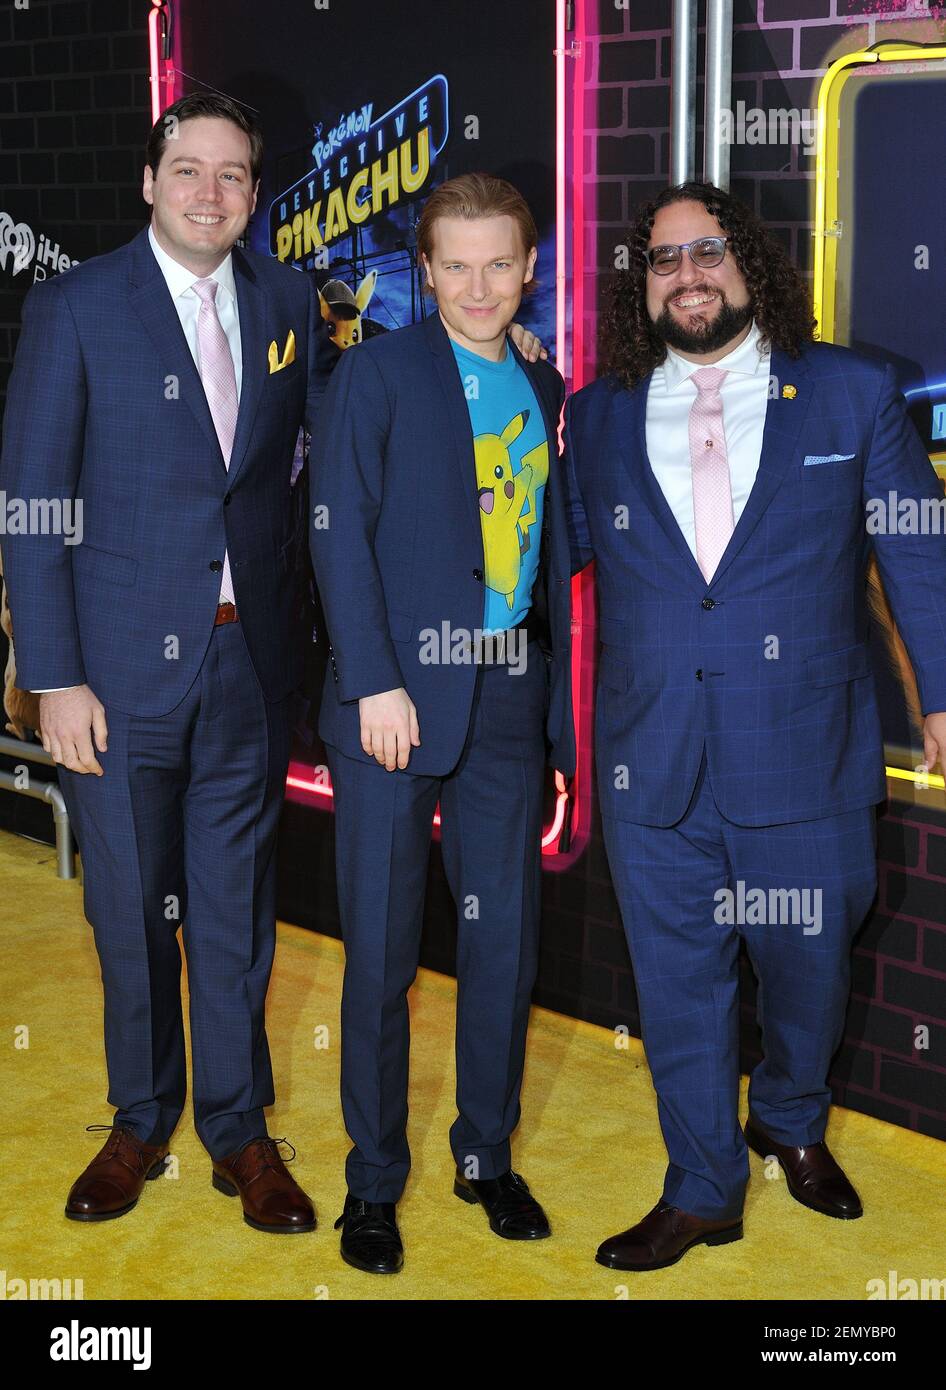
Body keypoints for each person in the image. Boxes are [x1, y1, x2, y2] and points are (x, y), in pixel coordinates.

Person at [562, 180, 946, 1272]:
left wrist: (941, 695)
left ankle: (788, 1116)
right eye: (663, 259)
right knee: (677, 986)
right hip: (652, 767)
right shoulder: (594, 415)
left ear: (749, 262)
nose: (687, 275)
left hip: (805, 760)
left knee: (811, 970)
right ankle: (701, 1184)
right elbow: (547, 567)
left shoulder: (850, 392)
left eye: (708, 251)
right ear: (642, 286)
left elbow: (915, 550)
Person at [0, 92, 337, 1232]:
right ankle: (139, 1118)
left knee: (237, 914)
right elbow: (34, 504)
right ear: (150, 182)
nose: (209, 193)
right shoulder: (76, 306)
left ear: (254, 192)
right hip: (113, 680)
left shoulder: (291, 300)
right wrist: (51, 675)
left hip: (247, 671)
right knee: (132, 914)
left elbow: (310, 456)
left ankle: (239, 1130)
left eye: (233, 174)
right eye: (187, 170)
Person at [310, 173, 575, 1274]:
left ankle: (485, 1155)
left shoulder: (547, 381)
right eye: (453, 265)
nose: (477, 285)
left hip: (506, 693)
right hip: (394, 704)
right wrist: (374, 680)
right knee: (378, 956)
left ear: (526, 270)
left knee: (501, 949)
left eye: (497, 264)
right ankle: (373, 1183)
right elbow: (335, 531)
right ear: (425, 272)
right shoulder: (374, 372)